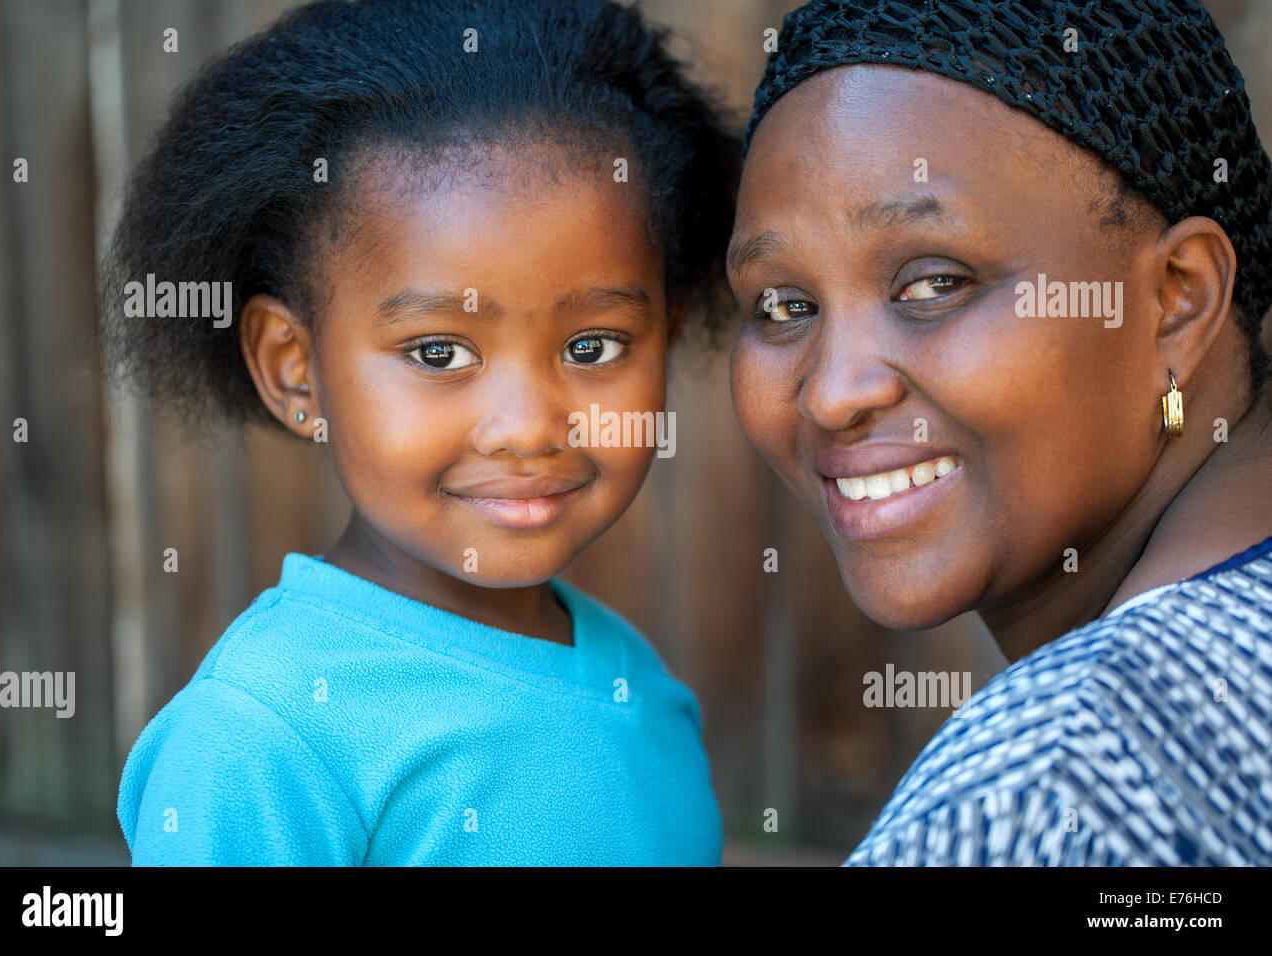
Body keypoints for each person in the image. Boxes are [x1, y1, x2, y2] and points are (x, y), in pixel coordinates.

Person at [102, 0, 739, 865]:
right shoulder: (264, 740)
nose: (526, 428)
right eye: (438, 350)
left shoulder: (641, 684)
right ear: (294, 366)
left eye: (593, 345)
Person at [729, 0, 1272, 864]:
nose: (833, 394)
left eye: (934, 282)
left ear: (1177, 297)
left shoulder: (1044, 791)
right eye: (784, 306)